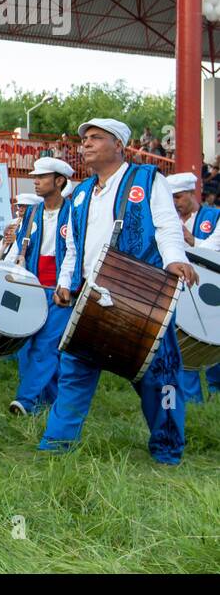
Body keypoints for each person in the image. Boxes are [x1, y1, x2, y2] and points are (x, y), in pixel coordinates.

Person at [39, 119, 198, 465]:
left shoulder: (147, 179)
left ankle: (168, 449)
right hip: (91, 297)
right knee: (75, 370)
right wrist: (65, 281)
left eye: (96, 138)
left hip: (141, 297)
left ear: (119, 146)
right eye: (84, 139)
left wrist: (173, 260)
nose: (86, 144)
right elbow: (71, 244)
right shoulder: (79, 193)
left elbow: (167, 224)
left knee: (162, 378)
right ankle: (56, 446)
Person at [5, 157, 74, 415]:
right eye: (35, 177)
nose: (36, 181)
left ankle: (26, 400)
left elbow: (74, 253)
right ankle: (50, 401)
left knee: (46, 345)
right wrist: (7, 270)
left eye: (42, 177)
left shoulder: (74, 213)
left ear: (59, 181)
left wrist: (66, 284)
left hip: (60, 291)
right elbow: (17, 248)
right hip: (32, 289)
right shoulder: (33, 212)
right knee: (27, 346)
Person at [165, 171, 220, 402]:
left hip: (212, 291)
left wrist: (192, 241)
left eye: (178, 197)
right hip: (182, 292)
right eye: (171, 199)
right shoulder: (167, 220)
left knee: (214, 340)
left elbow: (215, 250)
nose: (175, 204)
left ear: (191, 193)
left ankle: (216, 393)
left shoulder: (214, 216)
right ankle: (192, 400)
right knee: (184, 345)